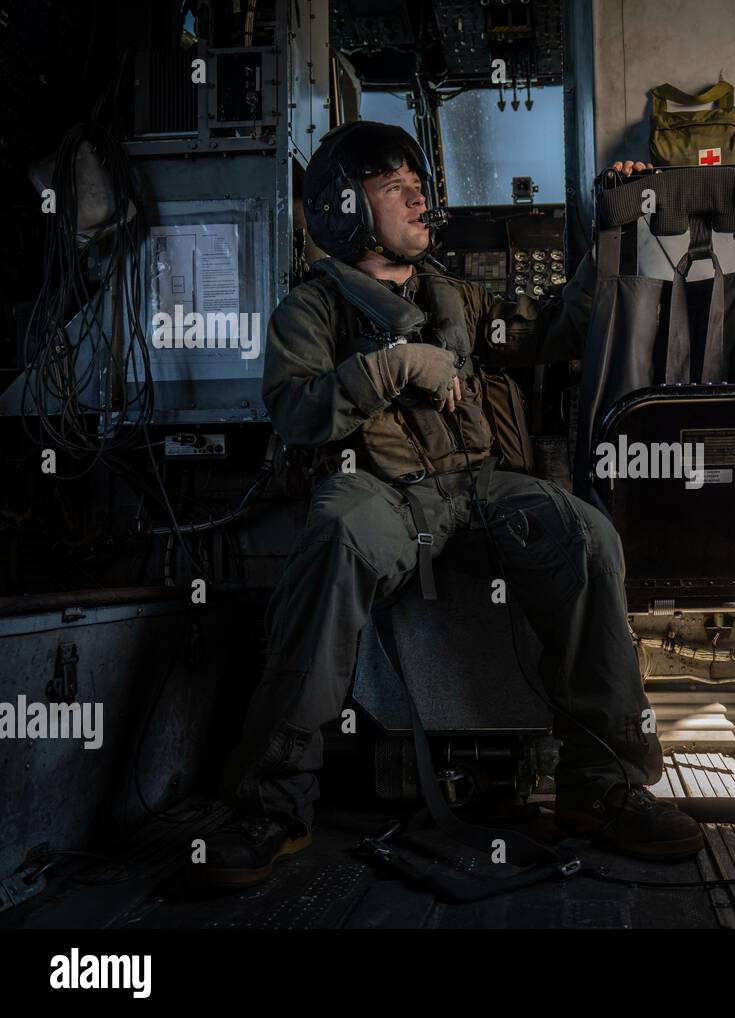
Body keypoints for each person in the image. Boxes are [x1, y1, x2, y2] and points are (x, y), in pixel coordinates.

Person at [194, 120, 702, 888]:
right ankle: (273, 803)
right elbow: (296, 414)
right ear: (345, 210)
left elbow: (564, 327)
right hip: (383, 494)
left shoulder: (459, 297)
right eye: (396, 189)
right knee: (335, 537)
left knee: (586, 537)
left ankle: (600, 786)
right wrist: (391, 368)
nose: (418, 200)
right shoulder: (313, 309)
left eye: (419, 187)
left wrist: (614, 224)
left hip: (479, 488)